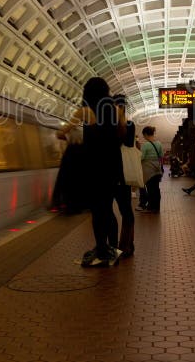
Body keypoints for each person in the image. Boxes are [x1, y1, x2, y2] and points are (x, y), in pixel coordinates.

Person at [59, 77, 126, 266]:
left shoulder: (85, 111)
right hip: (113, 165)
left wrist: (73, 139)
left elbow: (61, 132)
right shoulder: (117, 110)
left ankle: (102, 249)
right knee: (108, 208)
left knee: (98, 211)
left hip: (94, 166)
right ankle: (113, 248)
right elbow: (120, 135)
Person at [110, 94, 136, 257]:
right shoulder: (127, 125)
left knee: (121, 210)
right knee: (123, 210)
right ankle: (123, 245)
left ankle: (120, 245)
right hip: (116, 174)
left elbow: (126, 144)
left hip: (116, 174)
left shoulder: (125, 125)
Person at [140, 126, 163, 213]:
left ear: (146, 134)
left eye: (143, 135)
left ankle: (150, 208)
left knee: (150, 189)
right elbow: (161, 156)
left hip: (149, 170)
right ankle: (157, 208)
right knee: (156, 189)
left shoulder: (145, 145)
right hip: (157, 169)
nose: (144, 137)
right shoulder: (159, 144)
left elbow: (141, 157)